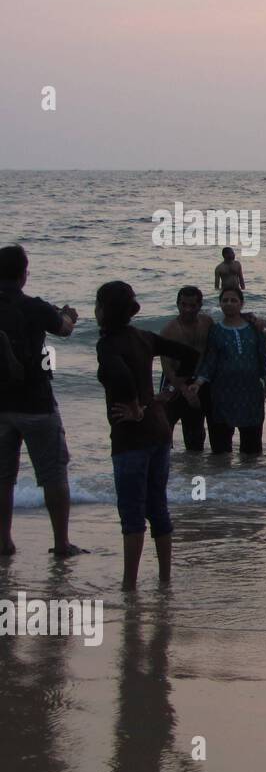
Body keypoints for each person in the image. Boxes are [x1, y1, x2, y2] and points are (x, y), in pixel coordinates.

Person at [94, 281, 198, 589]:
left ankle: (129, 584)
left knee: (132, 512)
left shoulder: (107, 344)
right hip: (159, 429)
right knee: (157, 505)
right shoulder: (143, 337)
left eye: (97, 305)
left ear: (105, 310)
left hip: (131, 434)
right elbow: (189, 354)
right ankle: (165, 578)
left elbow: (121, 375)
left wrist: (135, 408)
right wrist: (170, 389)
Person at [0, 244, 80, 558]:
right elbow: (64, 330)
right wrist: (68, 315)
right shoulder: (33, 306)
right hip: (35, 402)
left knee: (3, 477)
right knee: (53, 474)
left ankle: (3, 542)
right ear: (23, 275)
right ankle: (61, 543)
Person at [186, 287, 266, 455]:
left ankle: (251, 479)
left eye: (233, 300)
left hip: (251, 392)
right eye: (225, 300)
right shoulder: (216, 330)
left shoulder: (254, 328)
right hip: (223, 392)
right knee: (222, 446)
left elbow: (263, 358)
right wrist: (198, 383)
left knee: (252, 446)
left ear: (241, 303)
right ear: (220, 304)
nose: (229, 304)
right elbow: (210, 361)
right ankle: (224, 479)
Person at [159, 287, 213, 452]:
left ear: (200, 305)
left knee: (195, 434)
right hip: (174, 381)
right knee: (164, 430)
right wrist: (184, 391)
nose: (187, 309)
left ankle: (192, 471)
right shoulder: (169, 331)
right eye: (183, 305)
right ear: (177, 304)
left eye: (192, 305)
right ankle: (165, 472)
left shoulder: (207, 323)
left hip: (198, 381)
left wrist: (252, 318)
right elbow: (167, 368)